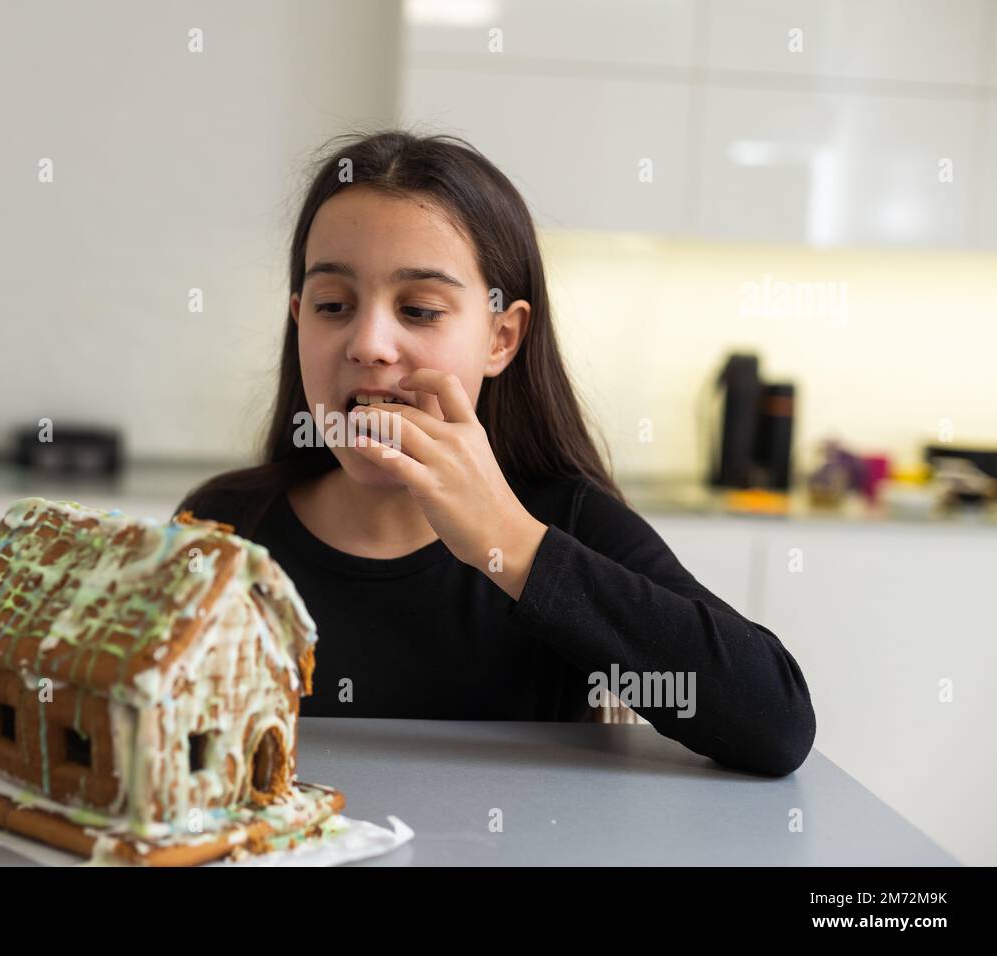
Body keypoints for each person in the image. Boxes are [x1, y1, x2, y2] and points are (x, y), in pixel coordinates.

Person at [177, 129, 816, 777]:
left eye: (420, 309)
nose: (368, 342)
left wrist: (512, 546)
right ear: (298, 318)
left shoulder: (563, 519)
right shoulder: (228, 524)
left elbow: (776, 724)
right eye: (333, 305)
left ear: (501, 338)